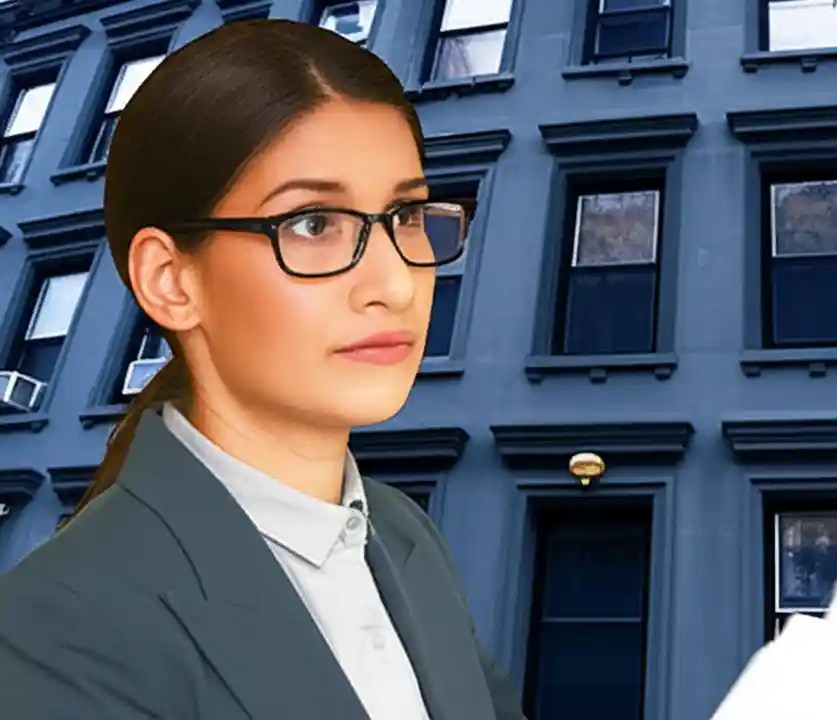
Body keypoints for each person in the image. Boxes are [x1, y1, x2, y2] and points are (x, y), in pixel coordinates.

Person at [0, 18, 525, 720]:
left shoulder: (404, 535)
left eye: (404, 215)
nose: (396, 285)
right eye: (312, 224)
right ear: (170, 281)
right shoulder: (55, 629)